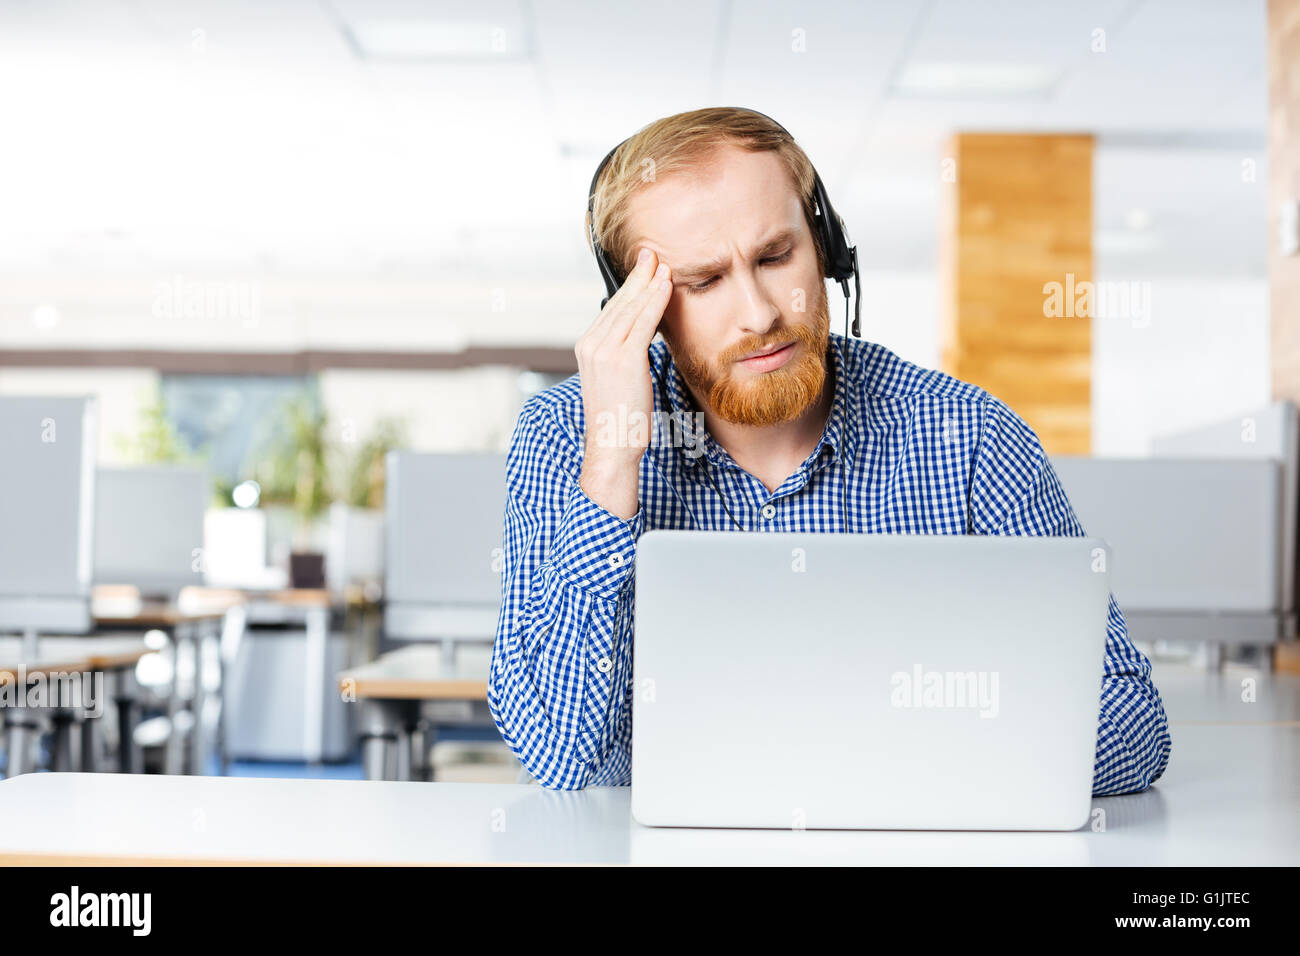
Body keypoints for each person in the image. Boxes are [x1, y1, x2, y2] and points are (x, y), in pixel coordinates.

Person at [487, 106, 1172, 794]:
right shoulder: (565, 438)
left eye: (775, 257)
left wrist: (871, 763)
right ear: (637, 310)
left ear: (827, 249)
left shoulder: (969, 437)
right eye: (704, 282)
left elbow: (1131, 728)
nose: (758, 314)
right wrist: (612, 466)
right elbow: (563, 759)